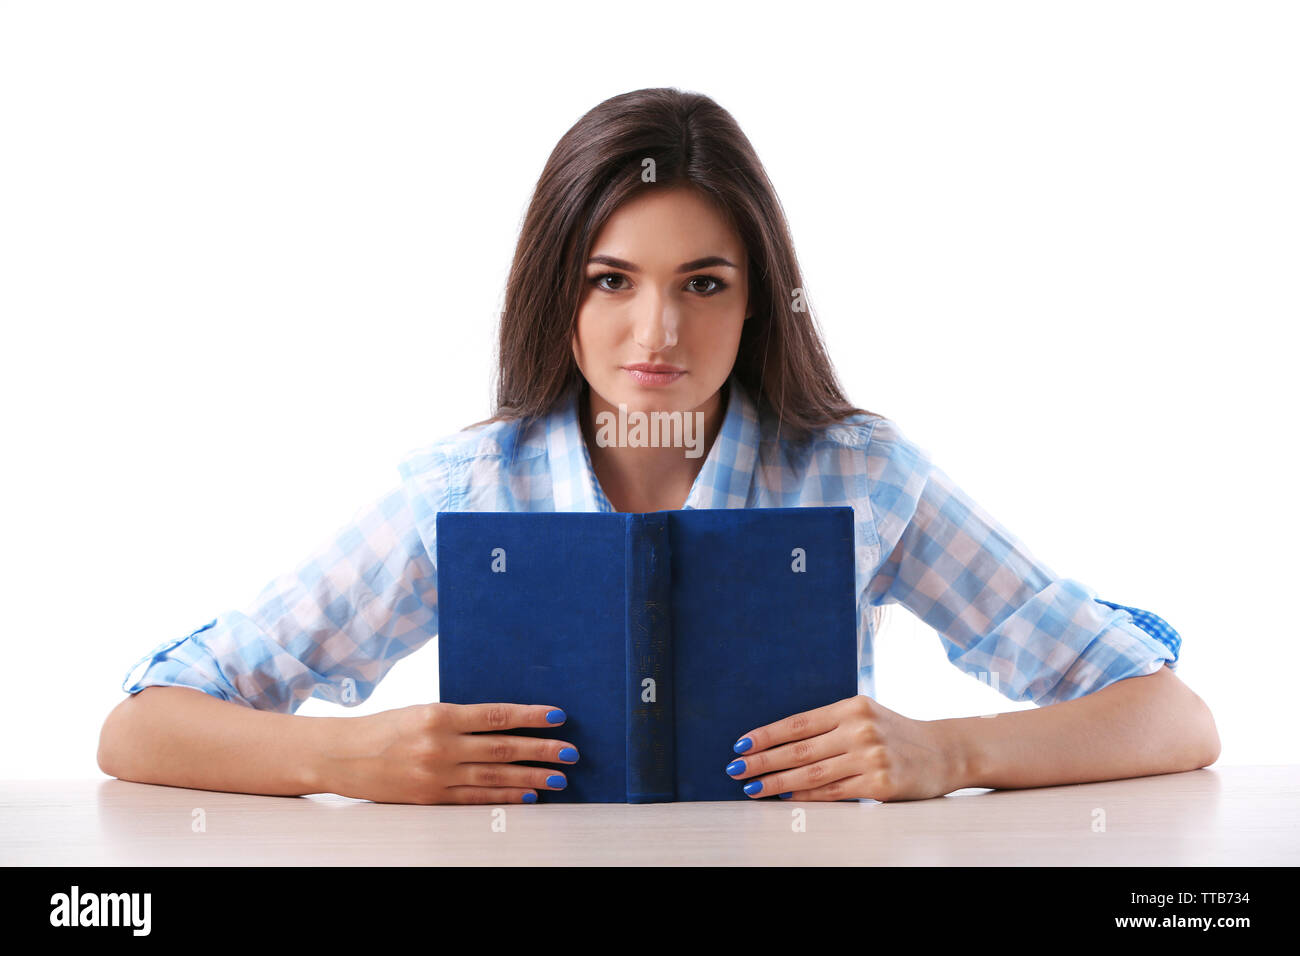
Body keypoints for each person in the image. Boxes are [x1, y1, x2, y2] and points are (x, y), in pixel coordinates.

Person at [97, 87, 1219, 805]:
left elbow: (1170, 714)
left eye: (703, 284)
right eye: (611, 282)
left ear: (757, 302)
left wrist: (948, 752)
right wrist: (347, 758)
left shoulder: (860, 473)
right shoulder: (463, 492)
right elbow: (143, 726)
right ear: (558, 294)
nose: (658, 332)